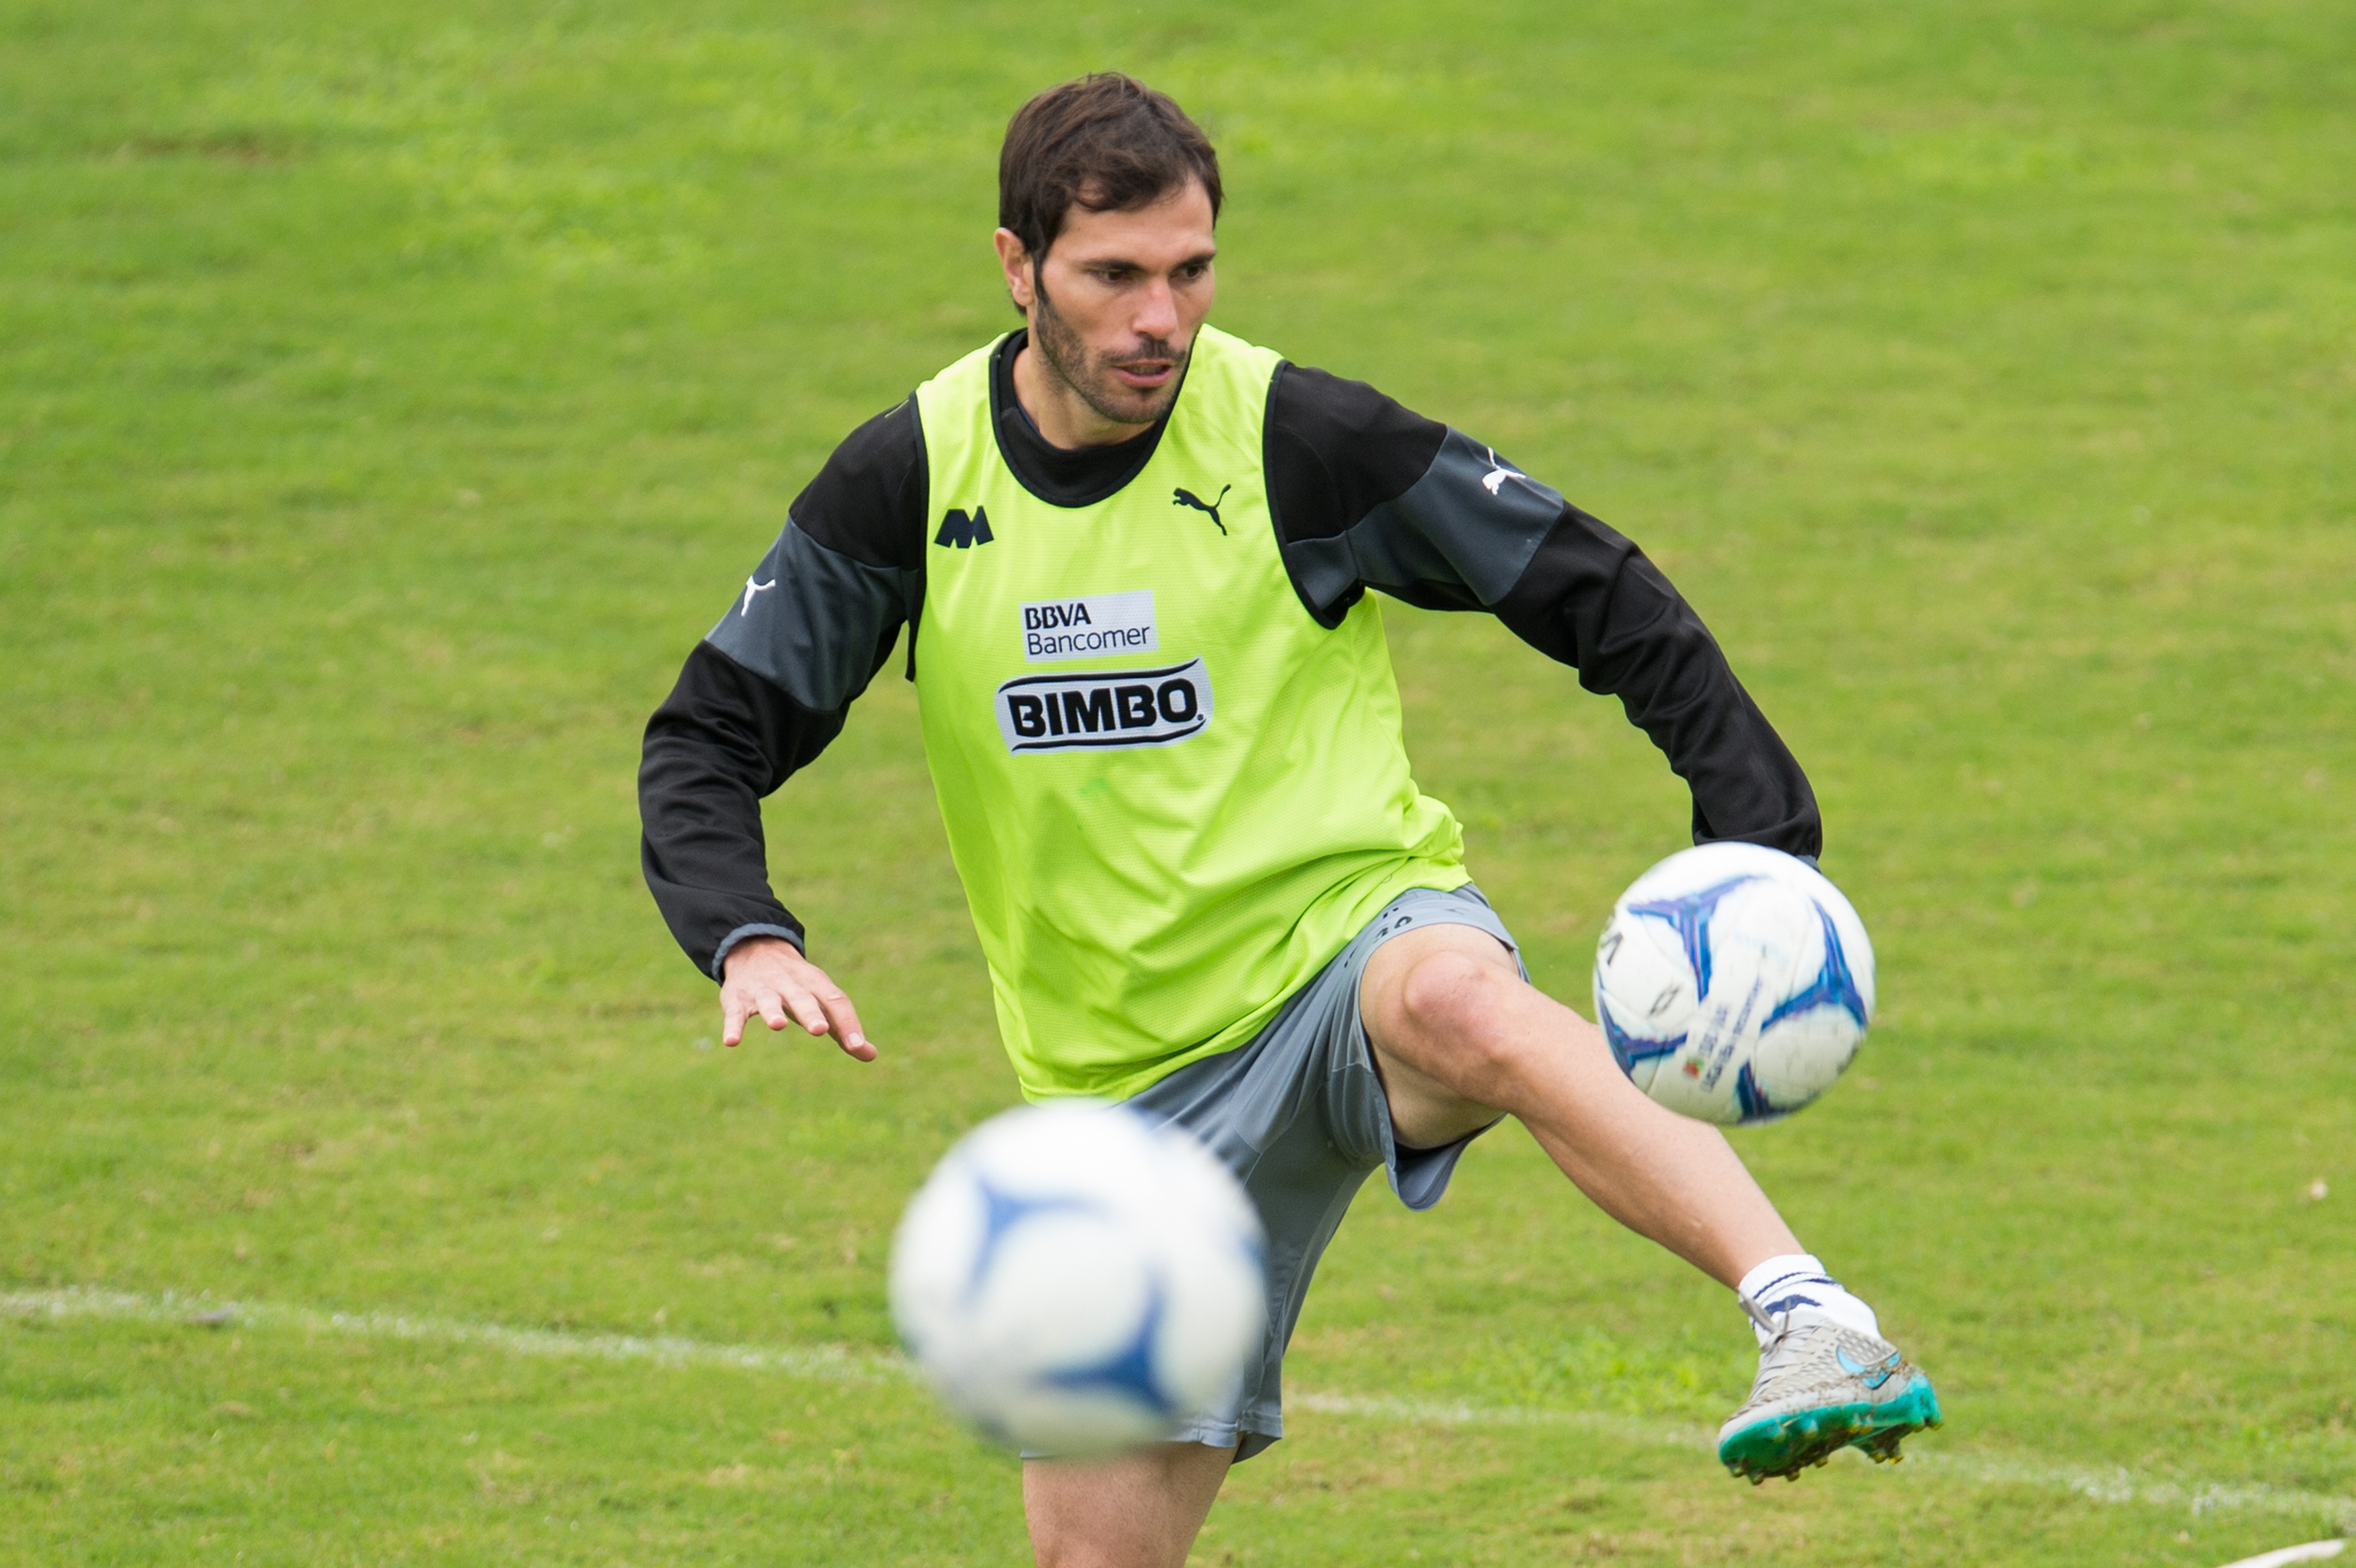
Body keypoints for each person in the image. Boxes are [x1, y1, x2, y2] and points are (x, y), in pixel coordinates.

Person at [639, 72, 1939, 1568]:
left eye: (1188, 272)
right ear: (1016, 268)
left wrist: (1757, 839)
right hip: (1122, 1103)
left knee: (1464, 1000)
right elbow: (708, 734)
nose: (1157, 319)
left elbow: (1589, 585)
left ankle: (1804, 1317)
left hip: (1344, 948)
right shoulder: (909, 480)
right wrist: (741, 929)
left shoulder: (1292, 437)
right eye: (1112, 275)